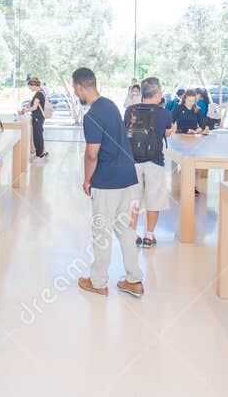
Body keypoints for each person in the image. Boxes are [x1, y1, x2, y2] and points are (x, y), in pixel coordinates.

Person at [73, 67, 144, 299]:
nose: (76, 93)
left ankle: (98, 282)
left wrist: (87, 180)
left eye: (76, 89)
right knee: (126, 230)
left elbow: (92, 154)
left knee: (101, 232)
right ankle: (134, 280)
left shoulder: (92, 115)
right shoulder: (111, 105)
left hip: (107, 181)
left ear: (80, 87)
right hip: (128, 176)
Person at [125, 76, 174, 248]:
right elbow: (167, 132)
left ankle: (131, 235)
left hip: (132, 161)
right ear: (158, 93)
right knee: (154, 199)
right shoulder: (164, 113)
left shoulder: (130, 110)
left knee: (133, 199)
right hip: (155, 161)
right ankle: (149, 236)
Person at [21, 75, 47, 161]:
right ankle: (42, 152)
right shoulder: (41, 92)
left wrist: (25, 111)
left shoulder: (38, 94)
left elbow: (34, 107)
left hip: (37, 118)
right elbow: (34, 104)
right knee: (39, 135)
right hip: (40, 117)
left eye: (30, 87)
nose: (30, 89)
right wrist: (27, 107)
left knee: (37, 136)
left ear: (34, 85)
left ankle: (39, 155)